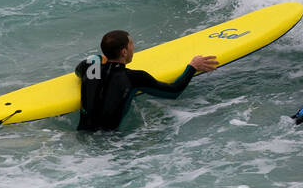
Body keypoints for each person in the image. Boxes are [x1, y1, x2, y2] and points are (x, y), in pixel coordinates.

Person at [73, 30, 217, 131]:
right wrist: (192, 67)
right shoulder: (134, 77)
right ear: (124, 52)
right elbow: (174, 91)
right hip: (110, 141)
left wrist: (100, 59)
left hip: (82, 134)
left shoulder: (91, 68)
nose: (133, 48)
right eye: (131, 44)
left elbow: (80, 69)